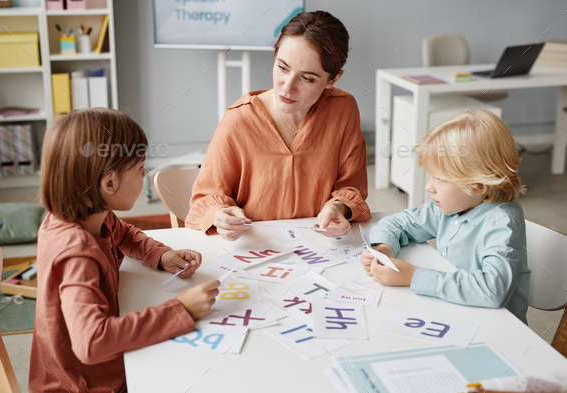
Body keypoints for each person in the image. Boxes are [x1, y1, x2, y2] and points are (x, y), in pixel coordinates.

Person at [29, 109, 220, 392]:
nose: (144, 176)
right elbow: (92, 342)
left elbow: (124, 235)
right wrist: (181, 309)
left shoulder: (85, 213)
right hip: (84, 385)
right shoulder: (77, 253)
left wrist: (160, 254)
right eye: (140, 169)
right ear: (109, 183)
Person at [186, 11, 371, 241]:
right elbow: (206, 199)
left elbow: (351, 187)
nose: (287, 87)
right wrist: (221, 215)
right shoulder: (239, 120)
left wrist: (338, 208)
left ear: (332, 80)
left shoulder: (343, 109)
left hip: (319, 246)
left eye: (308, 79)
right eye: (282, 68)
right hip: (255, 248)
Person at [360, 110, 531, 324]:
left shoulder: (502, 223)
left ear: (477, 186)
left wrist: (413, 276)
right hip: (455, 315)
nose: (429, 187)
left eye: (440, 179)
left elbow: (492, 290)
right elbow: (397, 223)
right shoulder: (451, 206)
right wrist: (384, 247)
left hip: (496, 330)